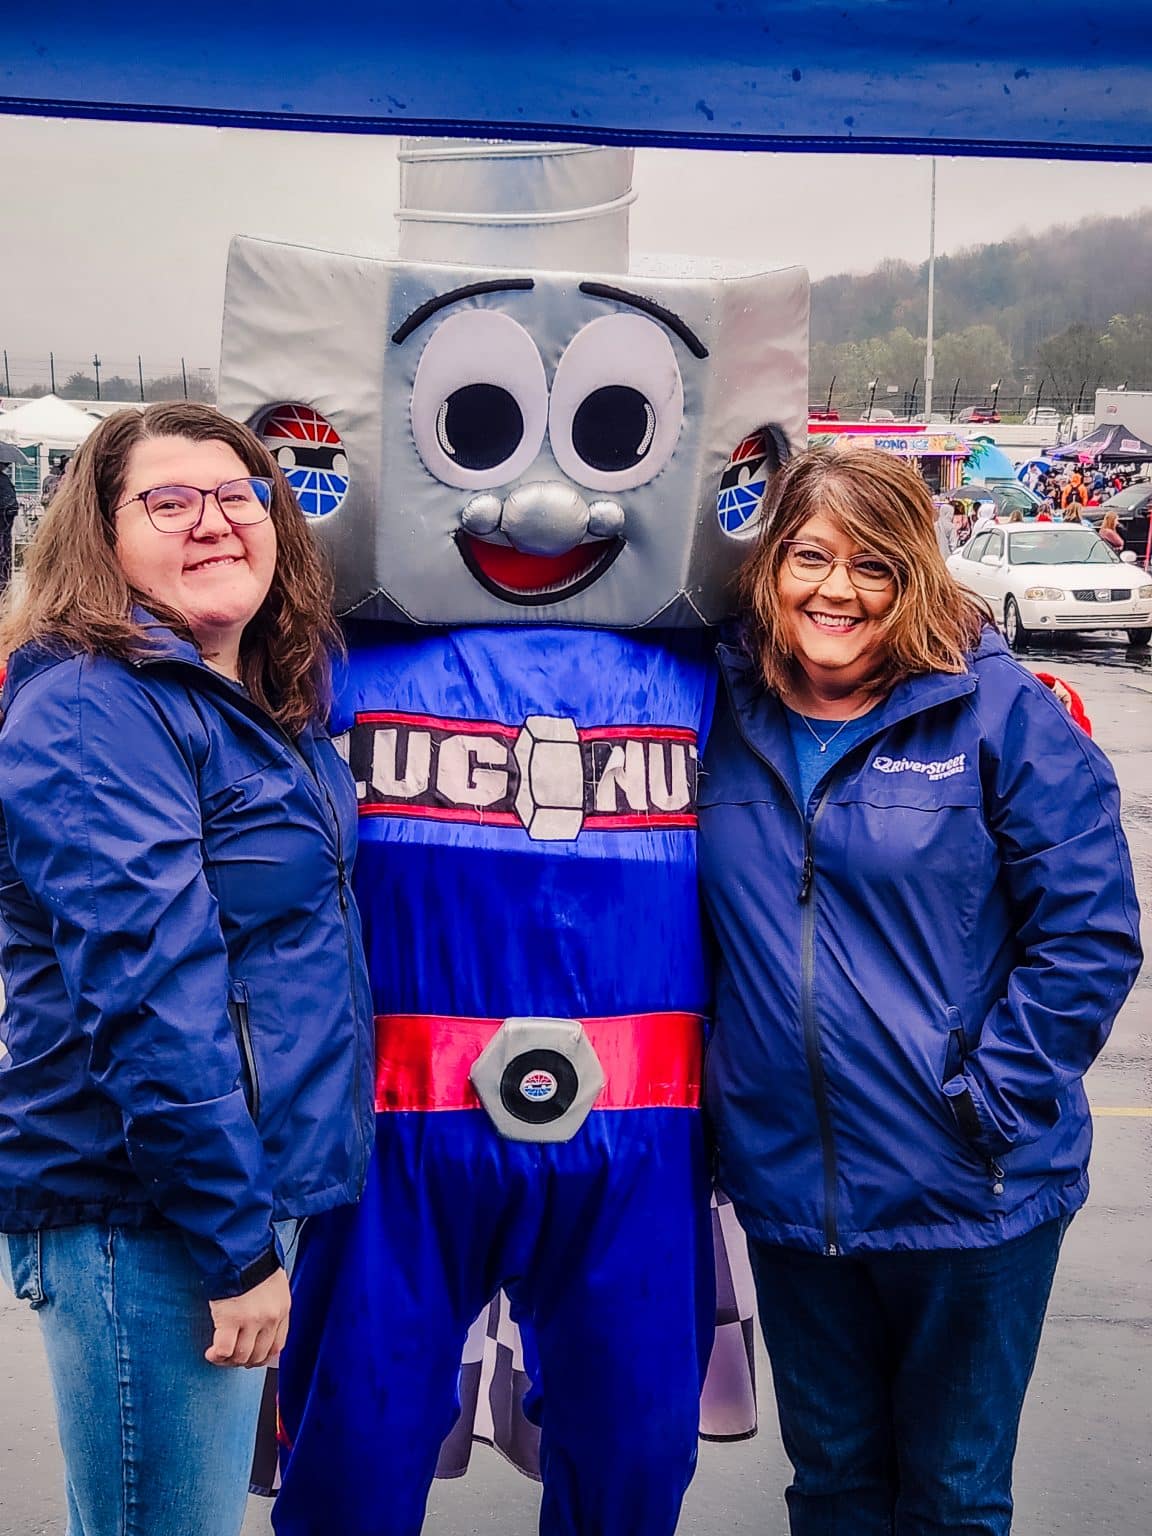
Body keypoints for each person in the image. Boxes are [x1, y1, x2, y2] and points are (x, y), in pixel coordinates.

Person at [698, 441, 1141, 1536]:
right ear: (769, 566)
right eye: (810, 557)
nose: (836, 590)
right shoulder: (722, 712)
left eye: (873, 565)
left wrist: (990, 1102)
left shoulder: (999, 713)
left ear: (917, 575)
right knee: (834, 1489)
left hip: (969, 1198)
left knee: (950, 1499)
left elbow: (1089, 934)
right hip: (793, 1195)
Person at [0, 402, 375, 1536]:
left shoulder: (251, 699)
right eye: (167, 501)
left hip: (225, 1195)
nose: (213, 521)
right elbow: (150, 996)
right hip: (149, 1215)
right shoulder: (91, 705)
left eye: (237, 495)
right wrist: (233, 1243)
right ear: (101, 536)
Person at [0, 461, 18, 591]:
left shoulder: (4, 479)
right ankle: (4, 580)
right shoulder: (4, 480)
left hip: (5, 518)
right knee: (4, 550)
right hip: (5, 519)